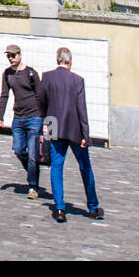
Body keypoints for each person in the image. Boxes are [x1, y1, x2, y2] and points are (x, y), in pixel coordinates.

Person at [38, 46, 104, 223]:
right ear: (70, 61)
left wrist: (46, 120)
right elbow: (81, 109)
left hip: (53, 124)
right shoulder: (77, 80)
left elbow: (42, 102)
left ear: (57, 59)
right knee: (85, 167)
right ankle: (92, 207)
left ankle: (59, 208)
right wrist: (86, 134)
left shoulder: (47, 77)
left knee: (56, 167)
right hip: (74, 127)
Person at [0, 43, 44, 198]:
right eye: (8, 56)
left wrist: (43, 120)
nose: (11, 58)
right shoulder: (7, 74)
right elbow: (4, 95)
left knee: (32, 154)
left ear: (20, 55)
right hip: (18, 118)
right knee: (18, 149)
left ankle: (33, 187)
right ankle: (33, 170)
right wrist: (0, 116)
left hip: (34, 118)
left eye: (13, 55)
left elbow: (40, 96)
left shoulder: (31, 73)